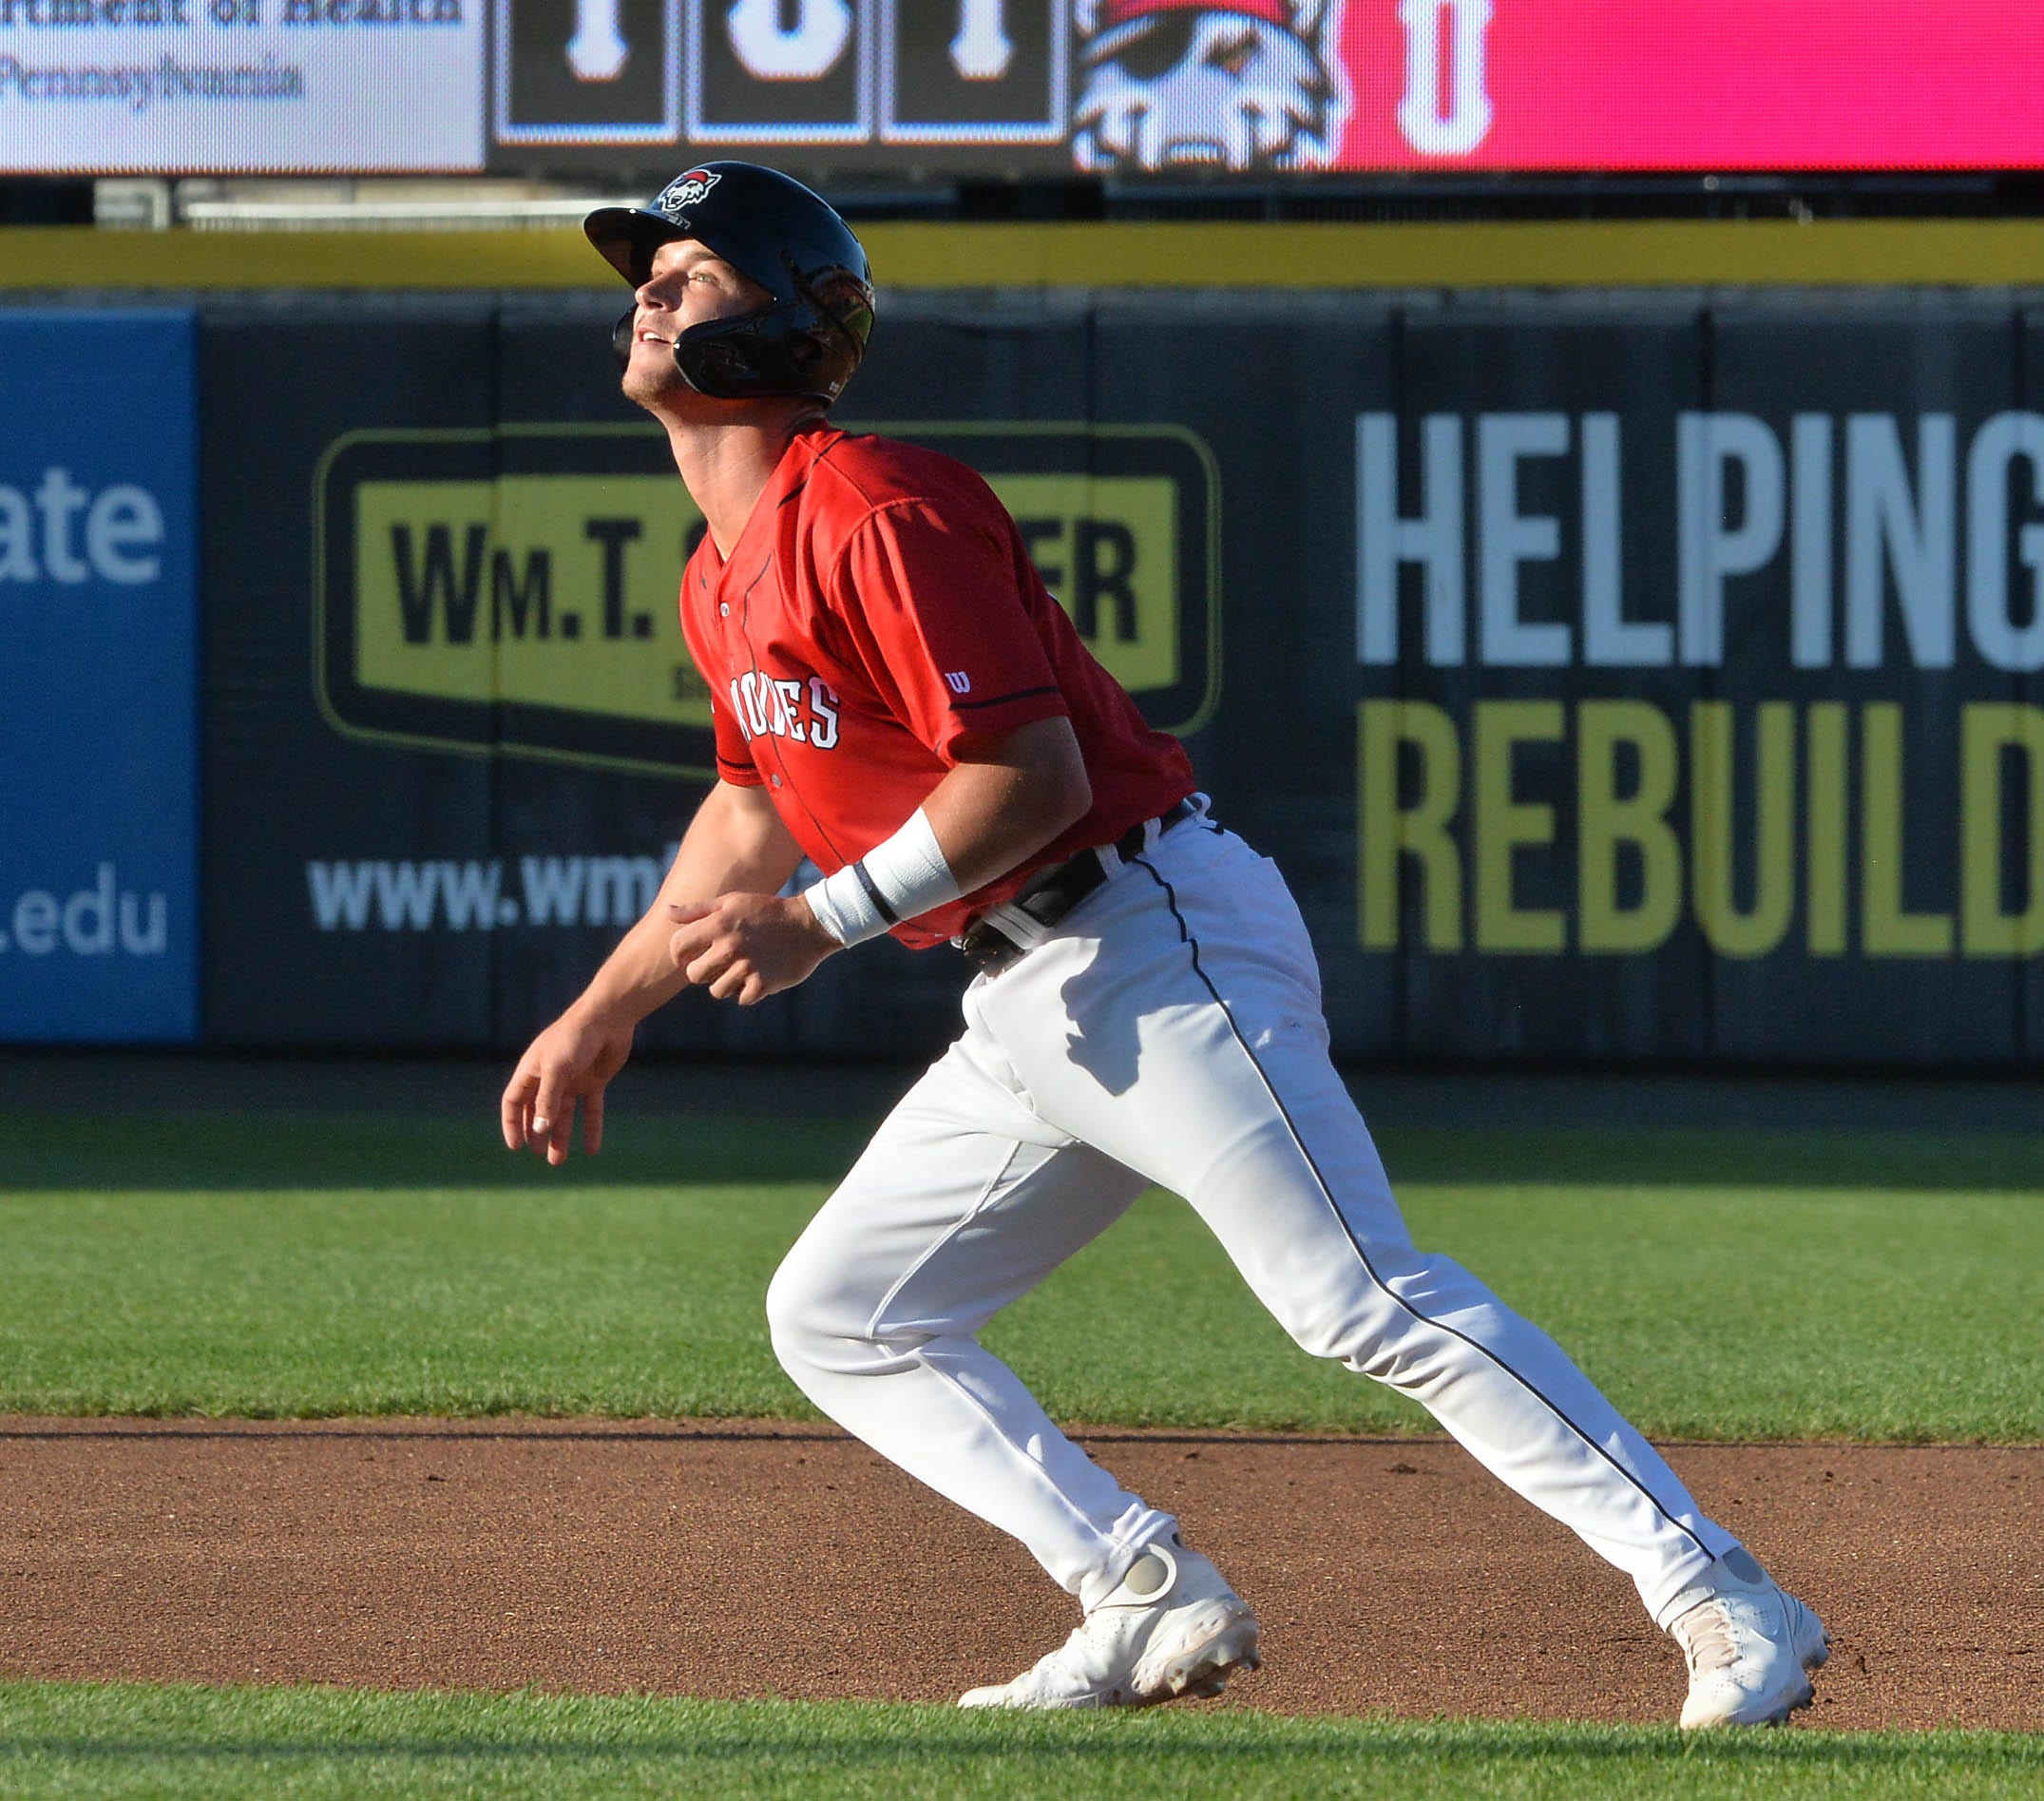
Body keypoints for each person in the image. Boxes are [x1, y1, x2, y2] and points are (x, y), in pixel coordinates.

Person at [501, 161, 1829, 1727]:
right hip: (1030, 995)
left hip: (1145, 929)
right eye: (645, 271)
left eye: (695, 271)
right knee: (844, 1315)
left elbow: (1032, 780)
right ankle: (1141, 1589)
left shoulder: (876, 505)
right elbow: (745, 819)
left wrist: (823, 921)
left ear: (785, 322)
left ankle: (1720, 1590)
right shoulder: (720, 572)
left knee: (1358, 1297)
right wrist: (605, 1009)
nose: (651, 290)